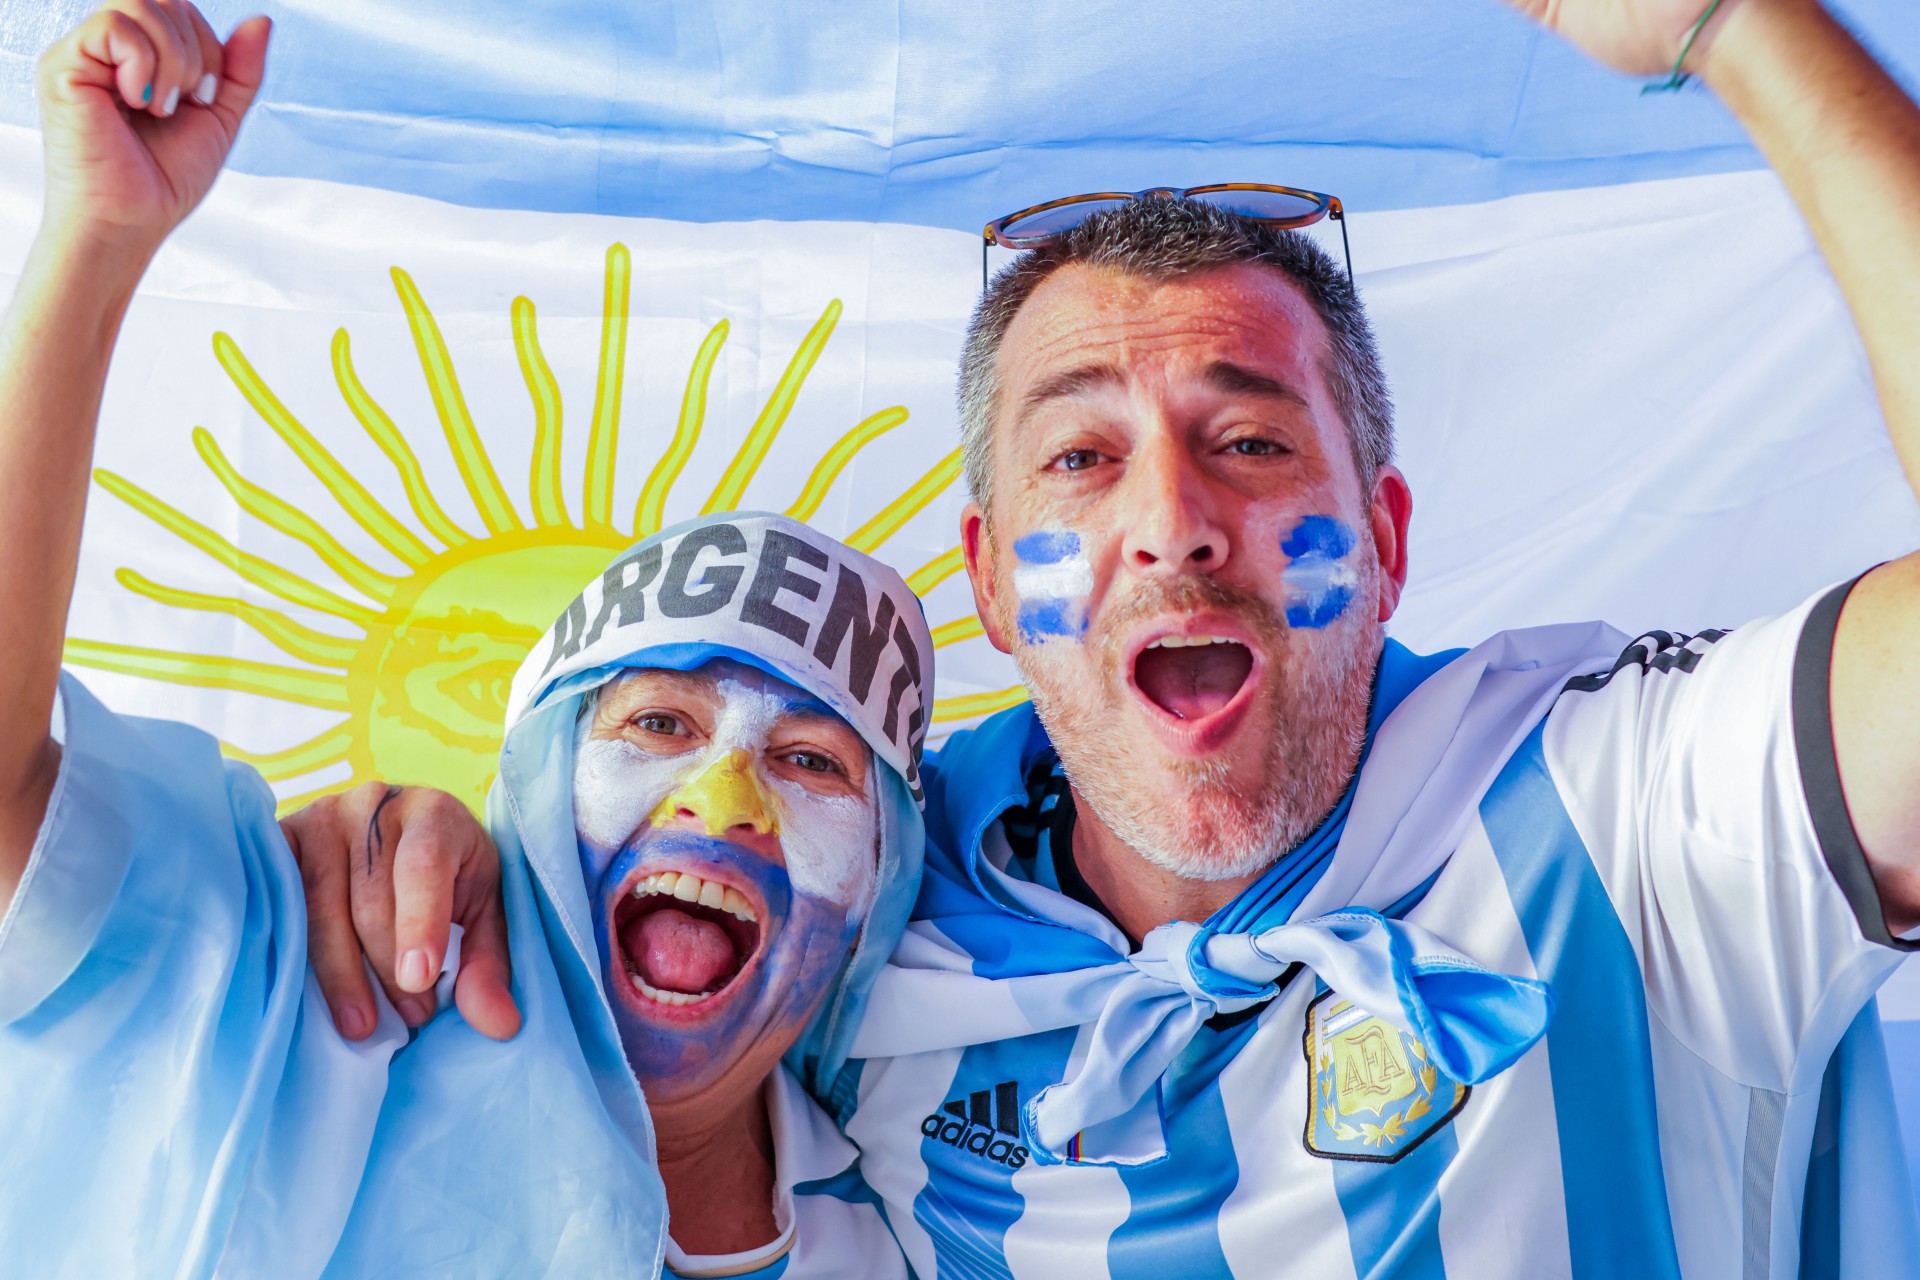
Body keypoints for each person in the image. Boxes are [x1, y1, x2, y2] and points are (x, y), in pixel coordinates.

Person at [302, 0, 1920, 1274]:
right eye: (1082, 457)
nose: (1171, 522)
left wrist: (1743, 28)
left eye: (1253, 441)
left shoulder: (1617, 809)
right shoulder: (868, 899)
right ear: (994, 586)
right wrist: (406, 868)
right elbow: (615, 1049)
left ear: (1384, 541)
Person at [0, 8, 930, 1275]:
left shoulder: (913, 1212)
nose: (724, 802)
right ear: (538, 785)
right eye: (658, 722)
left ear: (879, 887)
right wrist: (94, 249)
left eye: (814, 760)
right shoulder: (320, 974)